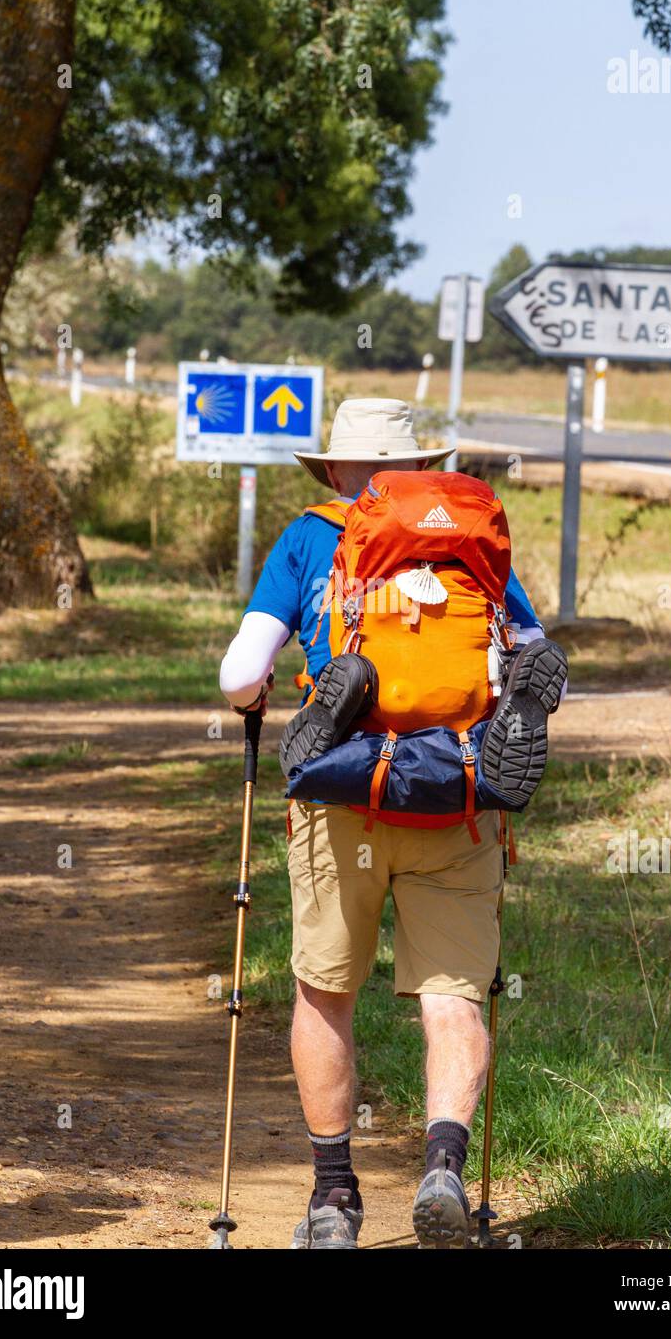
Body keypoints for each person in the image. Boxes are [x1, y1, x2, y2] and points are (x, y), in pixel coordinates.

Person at [220, 399, 559, 1250]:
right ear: (417, 466)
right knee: (452, 998)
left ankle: (334, 1202)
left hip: (342, 801)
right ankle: (443, 1165)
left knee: (326, 994)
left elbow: (238, 673)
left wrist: (259, 700)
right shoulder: (469, 542)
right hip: (458, 796)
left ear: (333, 467)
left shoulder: (308, 539)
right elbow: (537, 666)